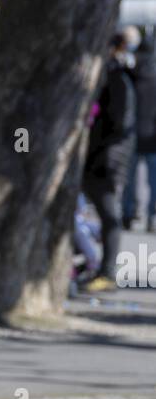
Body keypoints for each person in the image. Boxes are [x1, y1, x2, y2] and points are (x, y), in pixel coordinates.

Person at [82, 32, 137, 289]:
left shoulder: (116, 81)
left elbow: (114, 124)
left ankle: (107, 271)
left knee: (109, 213)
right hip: (108, 157)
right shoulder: (117, 78)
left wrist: (94, 149)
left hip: (108, 160)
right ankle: (100, 267)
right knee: (105, 214)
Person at [123, 33, 156, 233]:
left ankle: (130, 213)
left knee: (132, 181)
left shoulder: (130, 76)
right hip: (147, 138)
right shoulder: (133, 76)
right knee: (151, 183)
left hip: (133, 137)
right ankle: (149, 216)